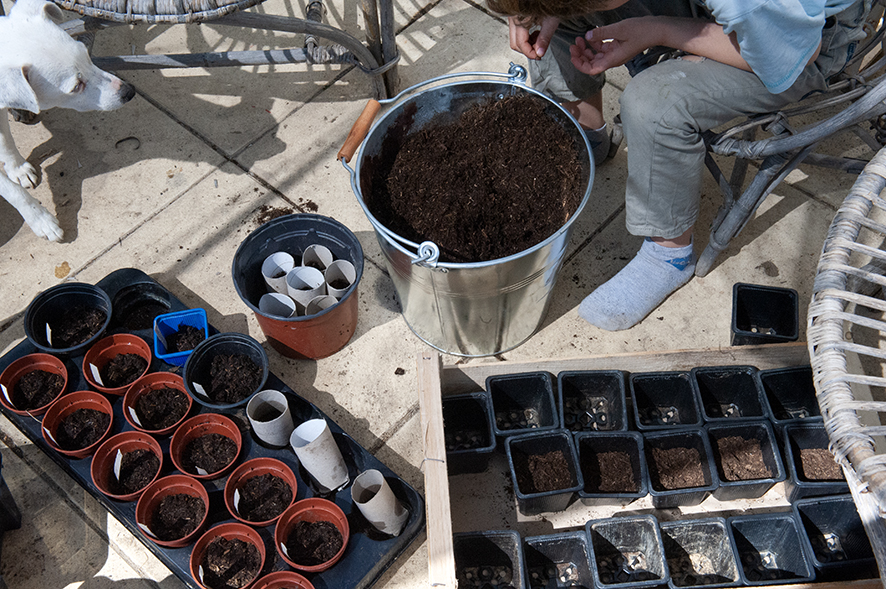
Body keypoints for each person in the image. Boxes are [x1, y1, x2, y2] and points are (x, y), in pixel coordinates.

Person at [487, 0, 870, 330]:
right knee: (561, 21)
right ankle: (589, 136)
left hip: (802, 45)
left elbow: (789, 55)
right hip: (760, 17)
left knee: (655, 103)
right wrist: (542, 11)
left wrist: (658, 30)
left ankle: (668, 255)